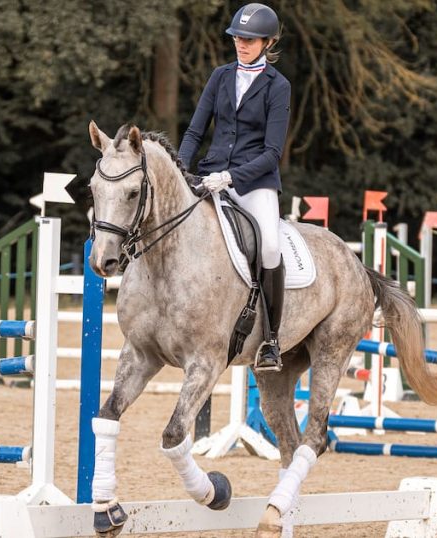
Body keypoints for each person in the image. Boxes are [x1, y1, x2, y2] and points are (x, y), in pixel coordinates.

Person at [177, 3, 291, 372]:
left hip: (254, 181)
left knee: (270, 246)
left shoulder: (279, 87)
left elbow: (273, 152)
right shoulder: (220, 76)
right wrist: (182, 170)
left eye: (249, 39)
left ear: (267, 42)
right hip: (210, 175)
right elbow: (195, 131)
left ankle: (271, 339)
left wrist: (232, 177)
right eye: (238, 38)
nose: (241, 44)